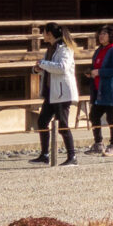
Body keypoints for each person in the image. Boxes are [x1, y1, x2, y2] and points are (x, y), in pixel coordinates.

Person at [33, 22, 79, 165]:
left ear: (49, 33)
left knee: (63, 125)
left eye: (44, 32)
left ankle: (72, 156)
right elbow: (48, 66)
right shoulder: (50, 48)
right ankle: (44, 154)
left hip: (61, 92)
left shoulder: (65, 48)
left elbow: (62, 68)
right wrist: (37, 68)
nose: (43, 35)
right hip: (51, 93)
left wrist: (43, 64)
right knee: (42, 122)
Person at [89, 25, 113, 157]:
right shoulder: (100, 49)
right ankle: (98, 143)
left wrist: (99, 72)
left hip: (111, 89)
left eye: (105, 34)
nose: (101, 36)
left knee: (112, 118)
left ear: (111, 35)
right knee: (94, 115)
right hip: (98, 88)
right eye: (100, 33)